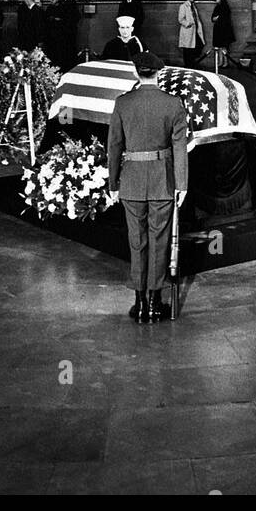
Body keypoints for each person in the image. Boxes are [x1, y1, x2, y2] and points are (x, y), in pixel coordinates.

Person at [106, 51, 188, 324]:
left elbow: (114, 146)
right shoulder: (173, 104)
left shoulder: (122, 103)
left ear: (135, 73)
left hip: (131, 181)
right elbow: (179, 148)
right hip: (163, 181)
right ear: (159, 73)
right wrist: (182, 184)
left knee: (136, 241)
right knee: (158, 241)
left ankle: (139, 302)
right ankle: (154, 302)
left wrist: (113, 182)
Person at [177, 0, 206, 67]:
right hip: (187, 31)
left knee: (196, 46)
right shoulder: (183, 6)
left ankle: (191, 63)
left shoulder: (193, 6)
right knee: (187, 49)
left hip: (194, 31)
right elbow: (180, 19)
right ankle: (188, 65)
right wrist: (188, 24)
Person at [211, 0, 235, 68]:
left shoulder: (224, 7)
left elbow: (221, 18)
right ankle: (221, 62)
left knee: (224, 47)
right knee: (220, 47)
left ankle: (225, 62)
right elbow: (213, 18)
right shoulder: (218, 7)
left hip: (224, 30)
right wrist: (216, 18)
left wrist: (217, 18)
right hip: (219, 29)